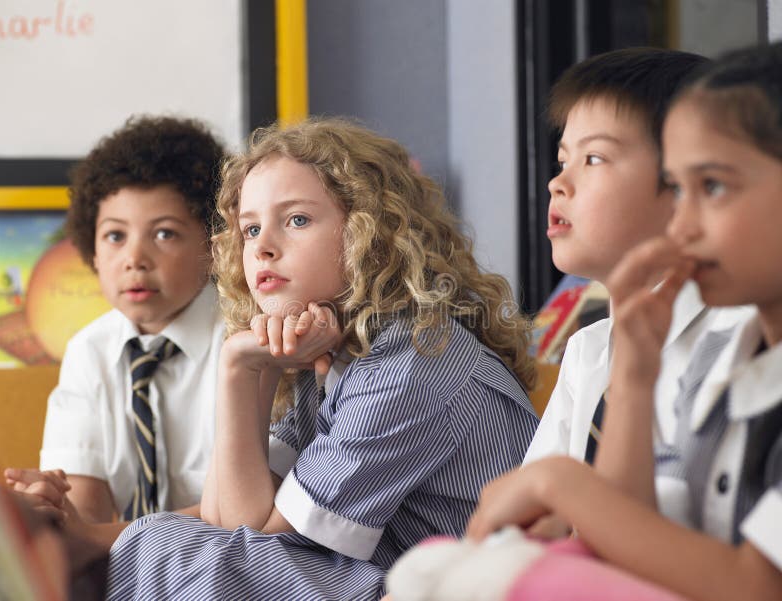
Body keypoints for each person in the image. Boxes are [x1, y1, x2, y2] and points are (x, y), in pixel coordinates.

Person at [105, 117, 539, 599]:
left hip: (461, 586)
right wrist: (246, 365)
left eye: (297, 220)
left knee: (166, 544)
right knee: (165, 539)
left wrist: (241, 367)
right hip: (391, 576)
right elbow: (231, 518)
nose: (263, 248)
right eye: (249, 229)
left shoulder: (416, 358)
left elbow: (256, 539)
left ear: (370, 234)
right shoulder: (334, 354)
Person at [466, 41, 782, 601]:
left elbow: (755, 586)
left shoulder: (727, 345)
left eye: (710, 186)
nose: (683, 222)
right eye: (681, 187)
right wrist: (633, 379)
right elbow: (612, 554)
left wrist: (561, 487)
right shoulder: (607, 347)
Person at [523, 48, 749, 478]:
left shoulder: (738, 335)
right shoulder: (587, 352)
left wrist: (565, 499)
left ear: (686, 182)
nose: (558, 183)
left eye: (594, 158)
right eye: (562, 160)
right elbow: (529, 520)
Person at [6, 116, 227, 531]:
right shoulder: (89, 350)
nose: (134, 259)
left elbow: (247, 512)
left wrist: (96, 536)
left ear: (215, 246)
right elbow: (84, 511)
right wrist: (52, 505)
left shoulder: (247, 339)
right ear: (91, 247)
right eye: (114, 236)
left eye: (164, 234)